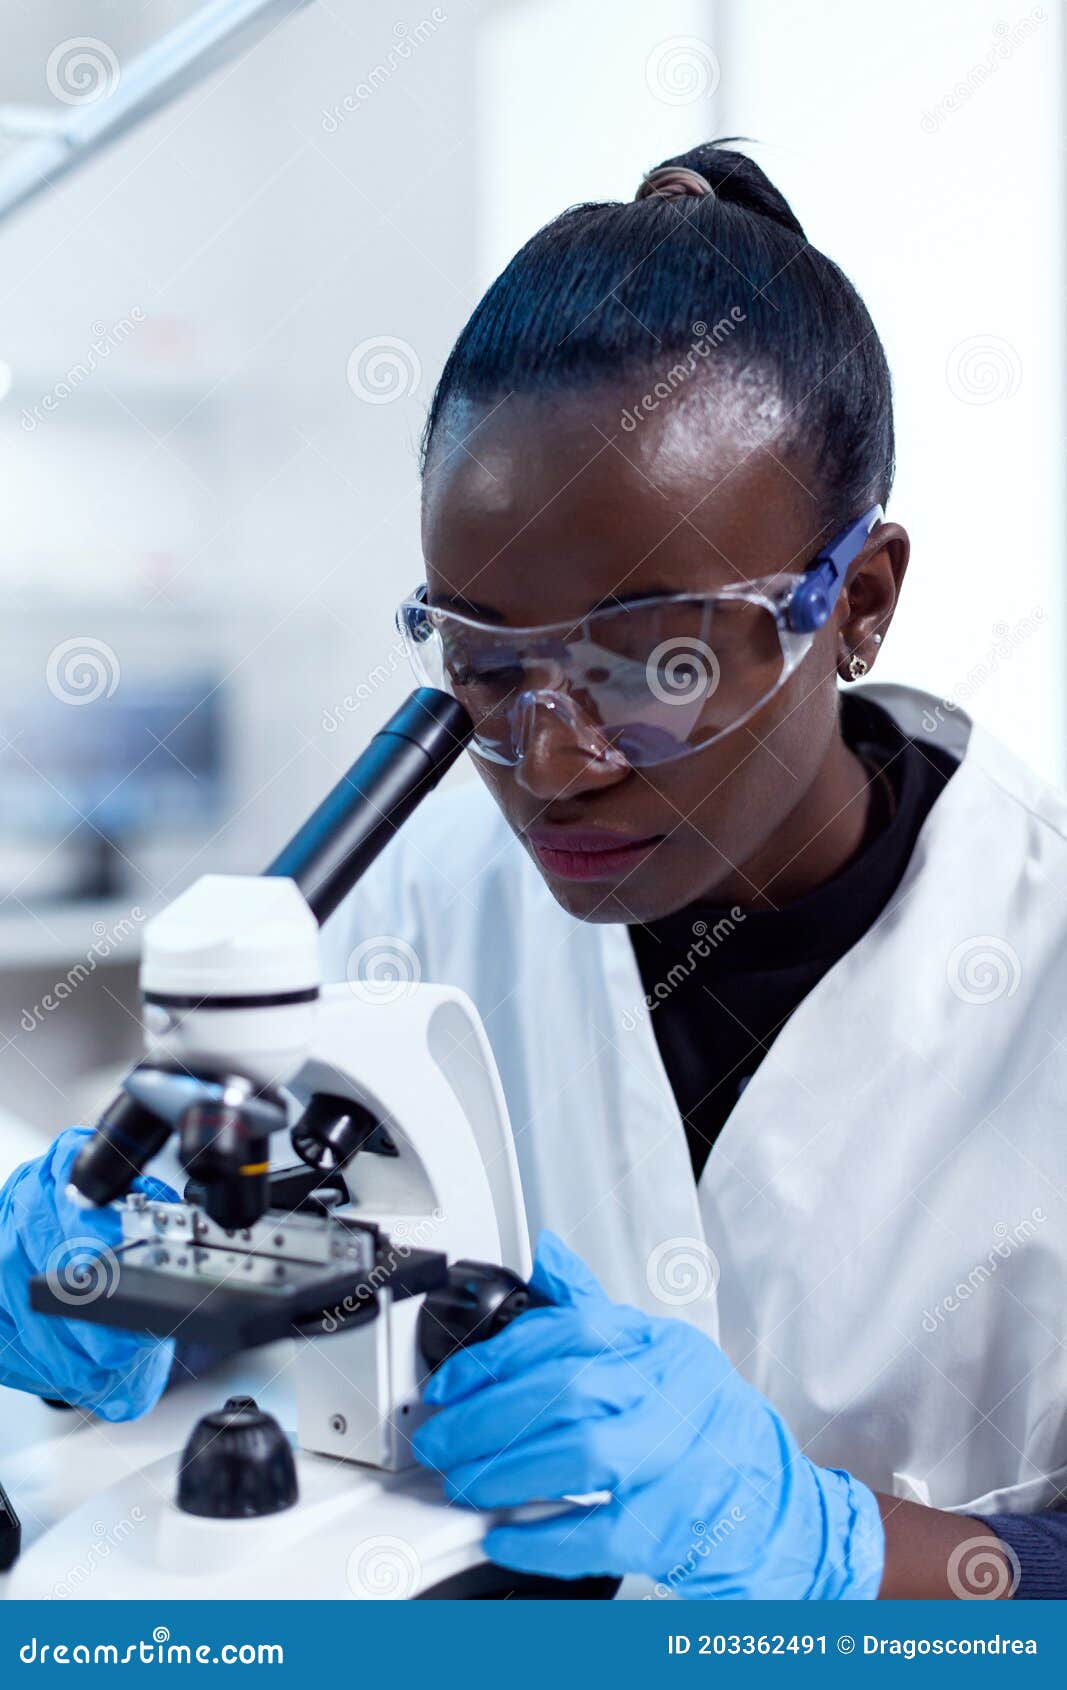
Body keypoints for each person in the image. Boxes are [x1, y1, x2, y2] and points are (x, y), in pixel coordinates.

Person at [3, 142, 1065, 1597]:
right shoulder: (419, 890)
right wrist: (113, 1284)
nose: (551, 763)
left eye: (658, 660)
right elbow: (274, 1259)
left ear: (860, 601)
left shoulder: (1036, 962)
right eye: (487, 660)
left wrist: (838, 1548)